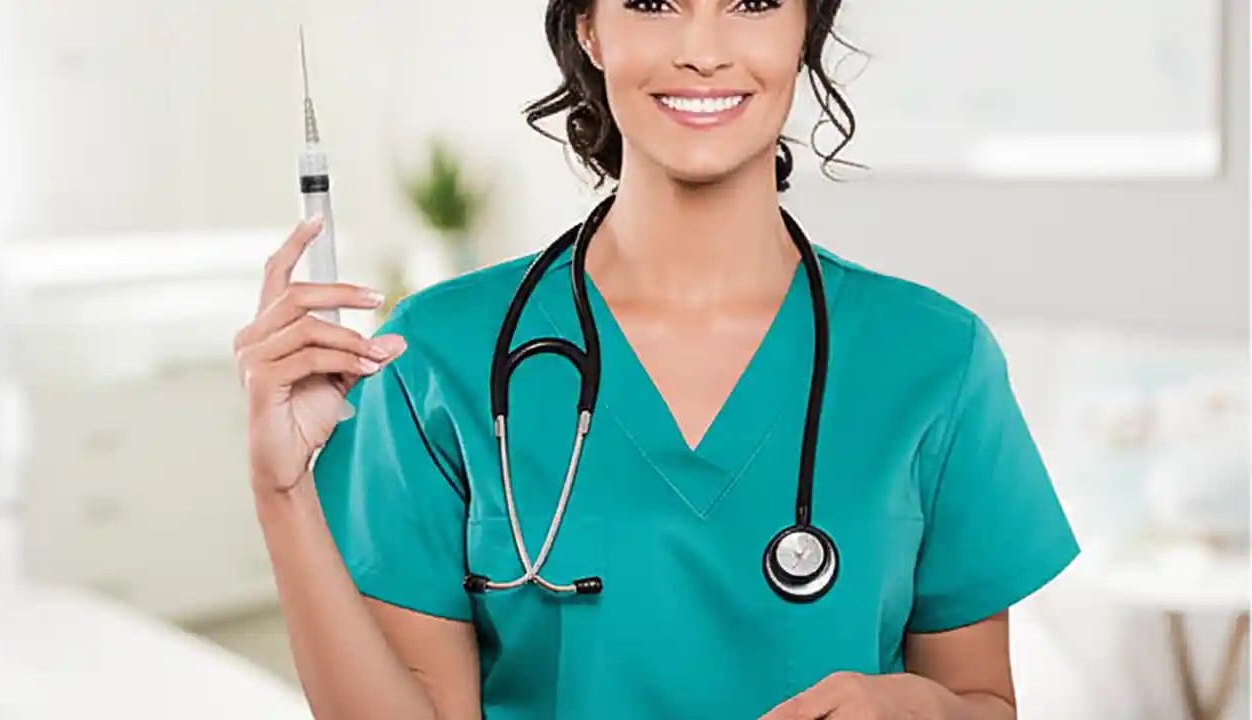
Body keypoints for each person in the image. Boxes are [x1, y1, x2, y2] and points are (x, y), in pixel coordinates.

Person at [233, 0, 1080, 717]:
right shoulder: (441, 359)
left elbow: (980, 700)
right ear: (589, 31)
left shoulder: (935, 358)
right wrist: (283, 493)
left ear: (805, 31)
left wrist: (919, 708)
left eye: (752, 2)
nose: (702, 51)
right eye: (650, 0)